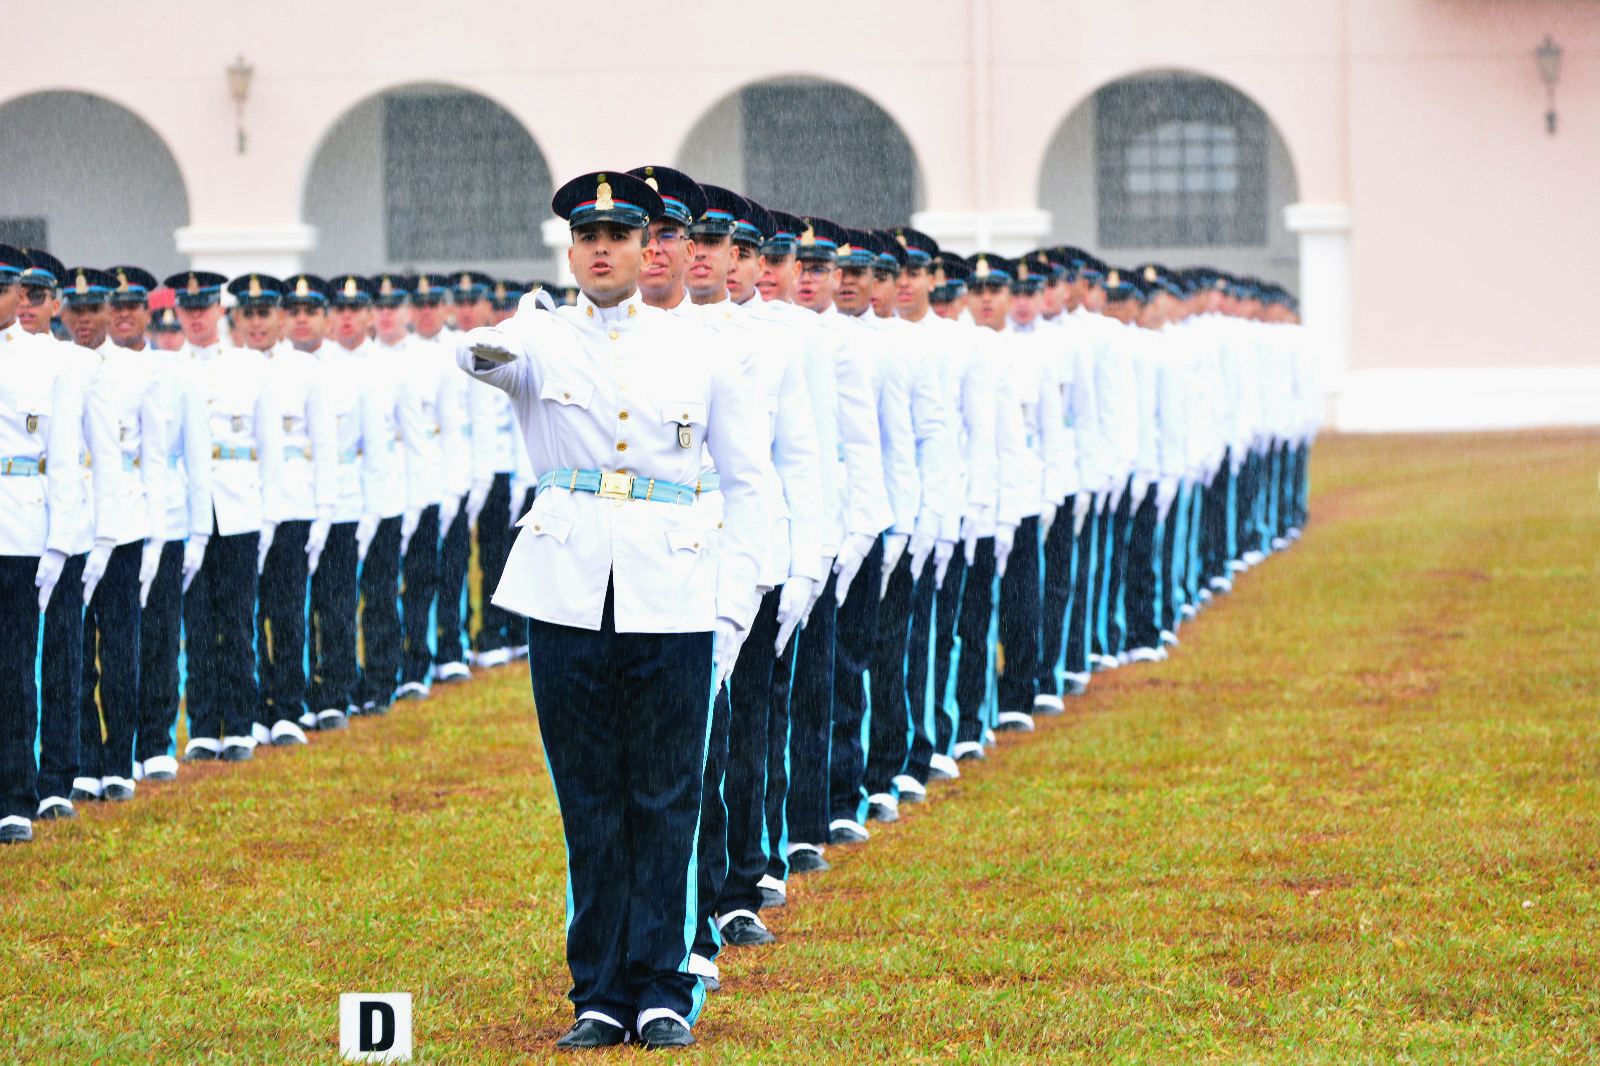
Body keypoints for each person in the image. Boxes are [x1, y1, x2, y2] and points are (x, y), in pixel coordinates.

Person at [456, 170, 767, 1050]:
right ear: (570, 253)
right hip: (564, 593)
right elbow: (471, 359)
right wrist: (520, 324)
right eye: (586, 238)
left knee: (667, 796)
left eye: (619, 236)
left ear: (647, 248)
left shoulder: (704, 351)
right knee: (589, 799)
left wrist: (732, 611)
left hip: (673, 594)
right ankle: (597, 991)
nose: (602, 249)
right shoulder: (543, 341)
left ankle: (664, 985)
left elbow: (750, 487)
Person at [0, 244, 90, 843]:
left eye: (8, 288)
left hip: (19, 526)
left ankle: (13, 793)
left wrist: (59, 545)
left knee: (13, 669)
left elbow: (62, 462)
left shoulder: (54, 362)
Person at [180, 272, 285, 762]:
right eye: (188, 307)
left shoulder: (250, 366)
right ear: (177, 313)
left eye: (204, 306)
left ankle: (240, 723)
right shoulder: (169, 367)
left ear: (219, 310)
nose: (197, 316)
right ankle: (203, 724)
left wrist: (269, 516)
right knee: (197, 622)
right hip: (188, 511)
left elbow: (270, 447)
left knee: (239, 618)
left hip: (241, 506)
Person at [73, 266, 168, 801]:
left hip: (125, 523)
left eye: (98, 308)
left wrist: (154, 535)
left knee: (122, 646)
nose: (88, 319)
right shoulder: (60, 365)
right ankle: (86, 758)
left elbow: (152, 459)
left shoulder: (136, 371)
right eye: (78, 310)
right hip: (68, 524)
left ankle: (120, 757)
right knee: (75, 651)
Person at [249, 272, 336, 747]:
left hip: (294, 504)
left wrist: (324, 510)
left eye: (266, 314)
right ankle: (257, 703)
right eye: (250, 314)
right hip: (243, 506)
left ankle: (287, 706)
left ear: (280, 320)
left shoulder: (305, 371)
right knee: (248, 612)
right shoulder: (232, 368)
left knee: (286, 610)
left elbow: (323, 447)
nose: (258, 323)